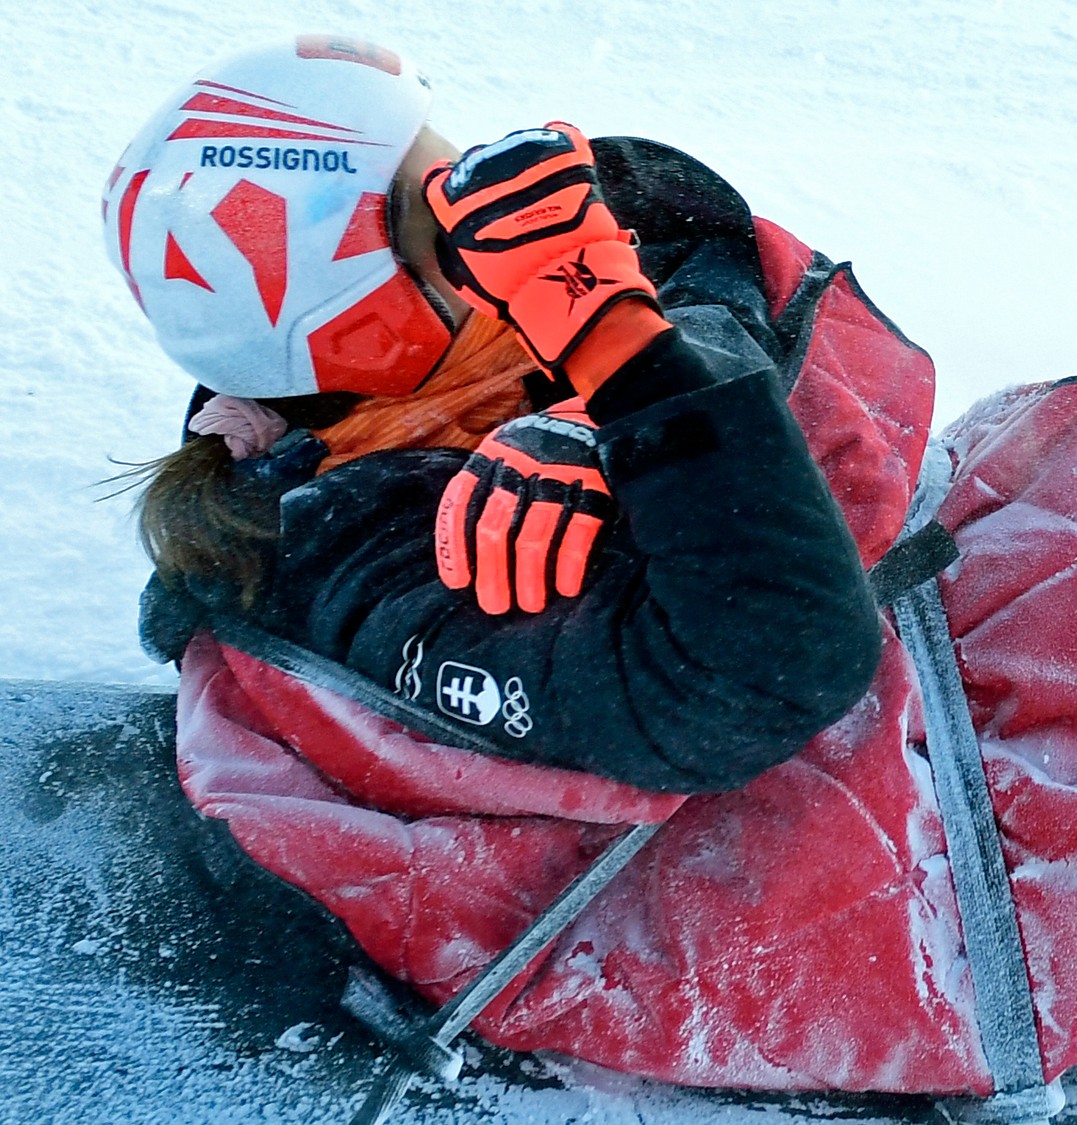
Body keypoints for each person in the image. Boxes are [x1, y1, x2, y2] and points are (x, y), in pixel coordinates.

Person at [108, 36, 886, 792]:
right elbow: (768, 669)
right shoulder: (355, 565)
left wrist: (613, 402)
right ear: (364, 321)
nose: (478, 213)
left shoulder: (470, 353)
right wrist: (619, 351)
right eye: (439, 213)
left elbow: (683, 228)